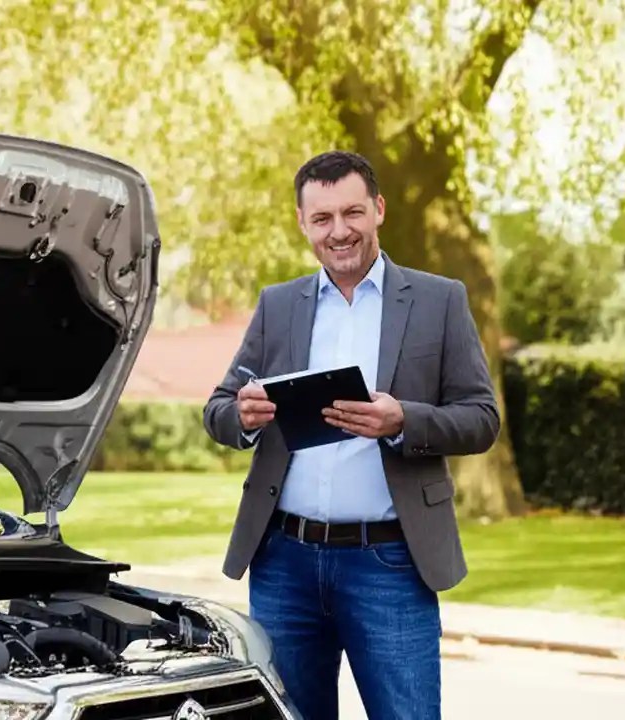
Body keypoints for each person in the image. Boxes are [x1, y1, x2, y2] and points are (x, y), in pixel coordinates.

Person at [202, 151, 499, 719]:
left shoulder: (440, 301)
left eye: (352, 213)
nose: (339, 232)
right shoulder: (278, 304)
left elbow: (482, 418)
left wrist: (405, 420)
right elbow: (218, 408)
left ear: (379, 210)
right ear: (302, 223)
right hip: (283, 566)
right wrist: (242, 417)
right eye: (322, 219)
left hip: (389, 563)